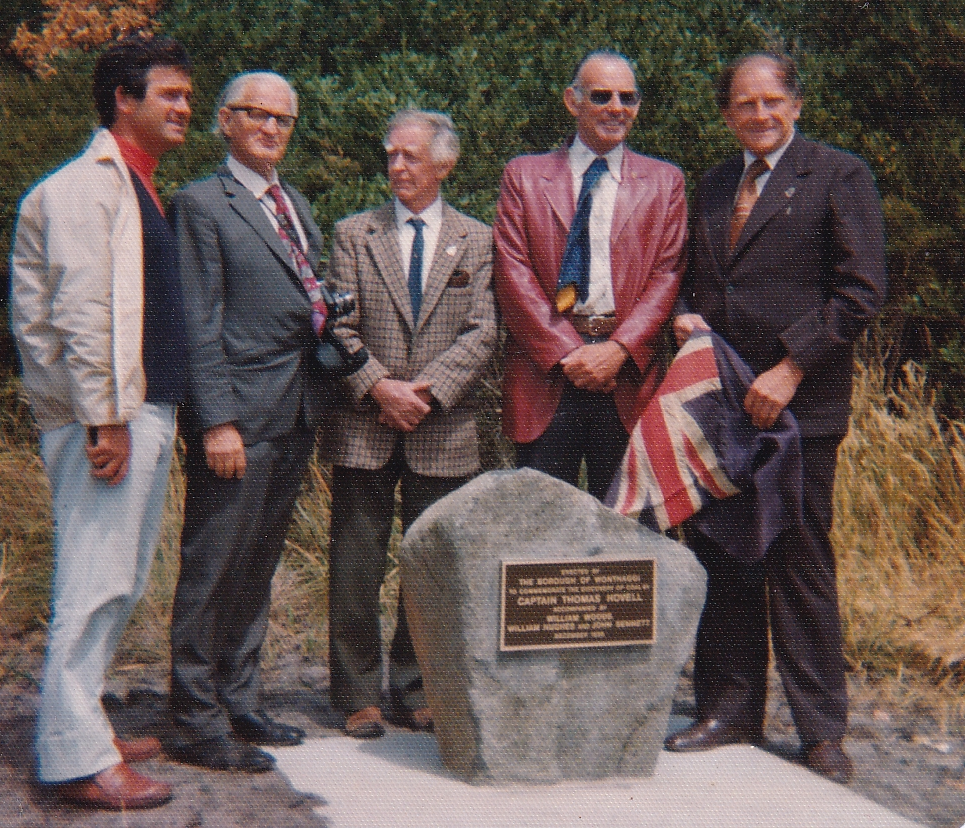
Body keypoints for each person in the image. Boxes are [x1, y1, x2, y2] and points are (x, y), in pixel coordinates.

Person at [664, 52, 886, 784]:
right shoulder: (718, 181)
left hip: (799, 406)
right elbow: (699, 279)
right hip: (723, 404)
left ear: (796, 103)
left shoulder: (839, 174)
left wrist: (790, 368)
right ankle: (729, 709)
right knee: (724, 553)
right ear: (726, 112)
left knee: (799, 564)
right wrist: (685, 317)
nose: (759, 115)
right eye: (743, 104)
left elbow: (860, 291)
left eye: (771, 102)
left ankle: (821, 729)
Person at [11, 35, 193, 809]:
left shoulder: (135, 183)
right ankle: (77, 760)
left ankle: (80, 725)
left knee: (116, 579)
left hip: (134, 409)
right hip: (108, 418)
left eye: (188, 96)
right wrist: (106, 419)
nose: (186, 108)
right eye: (171, 95)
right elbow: (83, 316)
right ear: (124, 98)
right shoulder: (87, 188)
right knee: (93, 580)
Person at [321, 109, 497, 739]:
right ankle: (356, 692)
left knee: (431, 564)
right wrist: (379, 387)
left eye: (410, 156)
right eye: (391, 154)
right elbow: (334, 327)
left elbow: (484, 332)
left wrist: (428, 393)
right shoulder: (353, 234)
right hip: (365, 424)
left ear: (444, 164)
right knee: (355, 563)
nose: (397, 166)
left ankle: (415, 685)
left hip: (442, 429)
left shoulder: (476, 239)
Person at [168, 72, 323, 771]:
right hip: (236, 419)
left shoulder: (296, 205)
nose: (270, 128)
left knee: (256, 565)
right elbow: (198, 322)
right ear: (225, 122)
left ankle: (239, 698)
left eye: (282, 120)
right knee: (212, 566)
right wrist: (216, 421)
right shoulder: (201, 204)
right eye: (255, 115)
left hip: (293, 414)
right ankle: (195, 720)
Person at [492, 51, 687, 501]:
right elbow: (513, 273)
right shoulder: (523, 176)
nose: (617, 107)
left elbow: (667, 275)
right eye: (602, 96)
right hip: (547, 374)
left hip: (628, 378)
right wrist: (570, 355)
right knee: (542, 527)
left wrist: (617, 350)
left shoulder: (666, 181)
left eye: (628, 97)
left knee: (627, 535)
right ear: (571, 100)